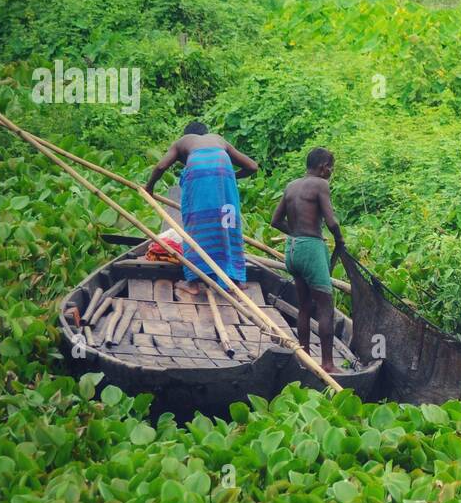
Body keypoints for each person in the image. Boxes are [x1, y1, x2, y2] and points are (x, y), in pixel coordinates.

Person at [144, 121, 258, 294]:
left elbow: (161, 166)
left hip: (198, 166)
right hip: (223, 165)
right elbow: (252, 166)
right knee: (227, 221)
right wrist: (230, 176)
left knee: (196, 223)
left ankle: (193, 283)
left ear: (186, 134)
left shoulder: (184, 141)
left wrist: (149, 187)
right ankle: (236, 281)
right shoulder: (218, 140)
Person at [271, 148, 346, 373]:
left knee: (304, 305)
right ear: (323, 167)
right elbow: (331, 222)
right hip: (311, 249)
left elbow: (275, 221)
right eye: (331, 167)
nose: (331, 172)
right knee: (325, 308)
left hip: (292, 249)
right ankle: (328, 364)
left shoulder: (291, 186)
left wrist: (295, 232)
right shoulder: (320, 185)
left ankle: (304, 357)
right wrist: (340, 241)